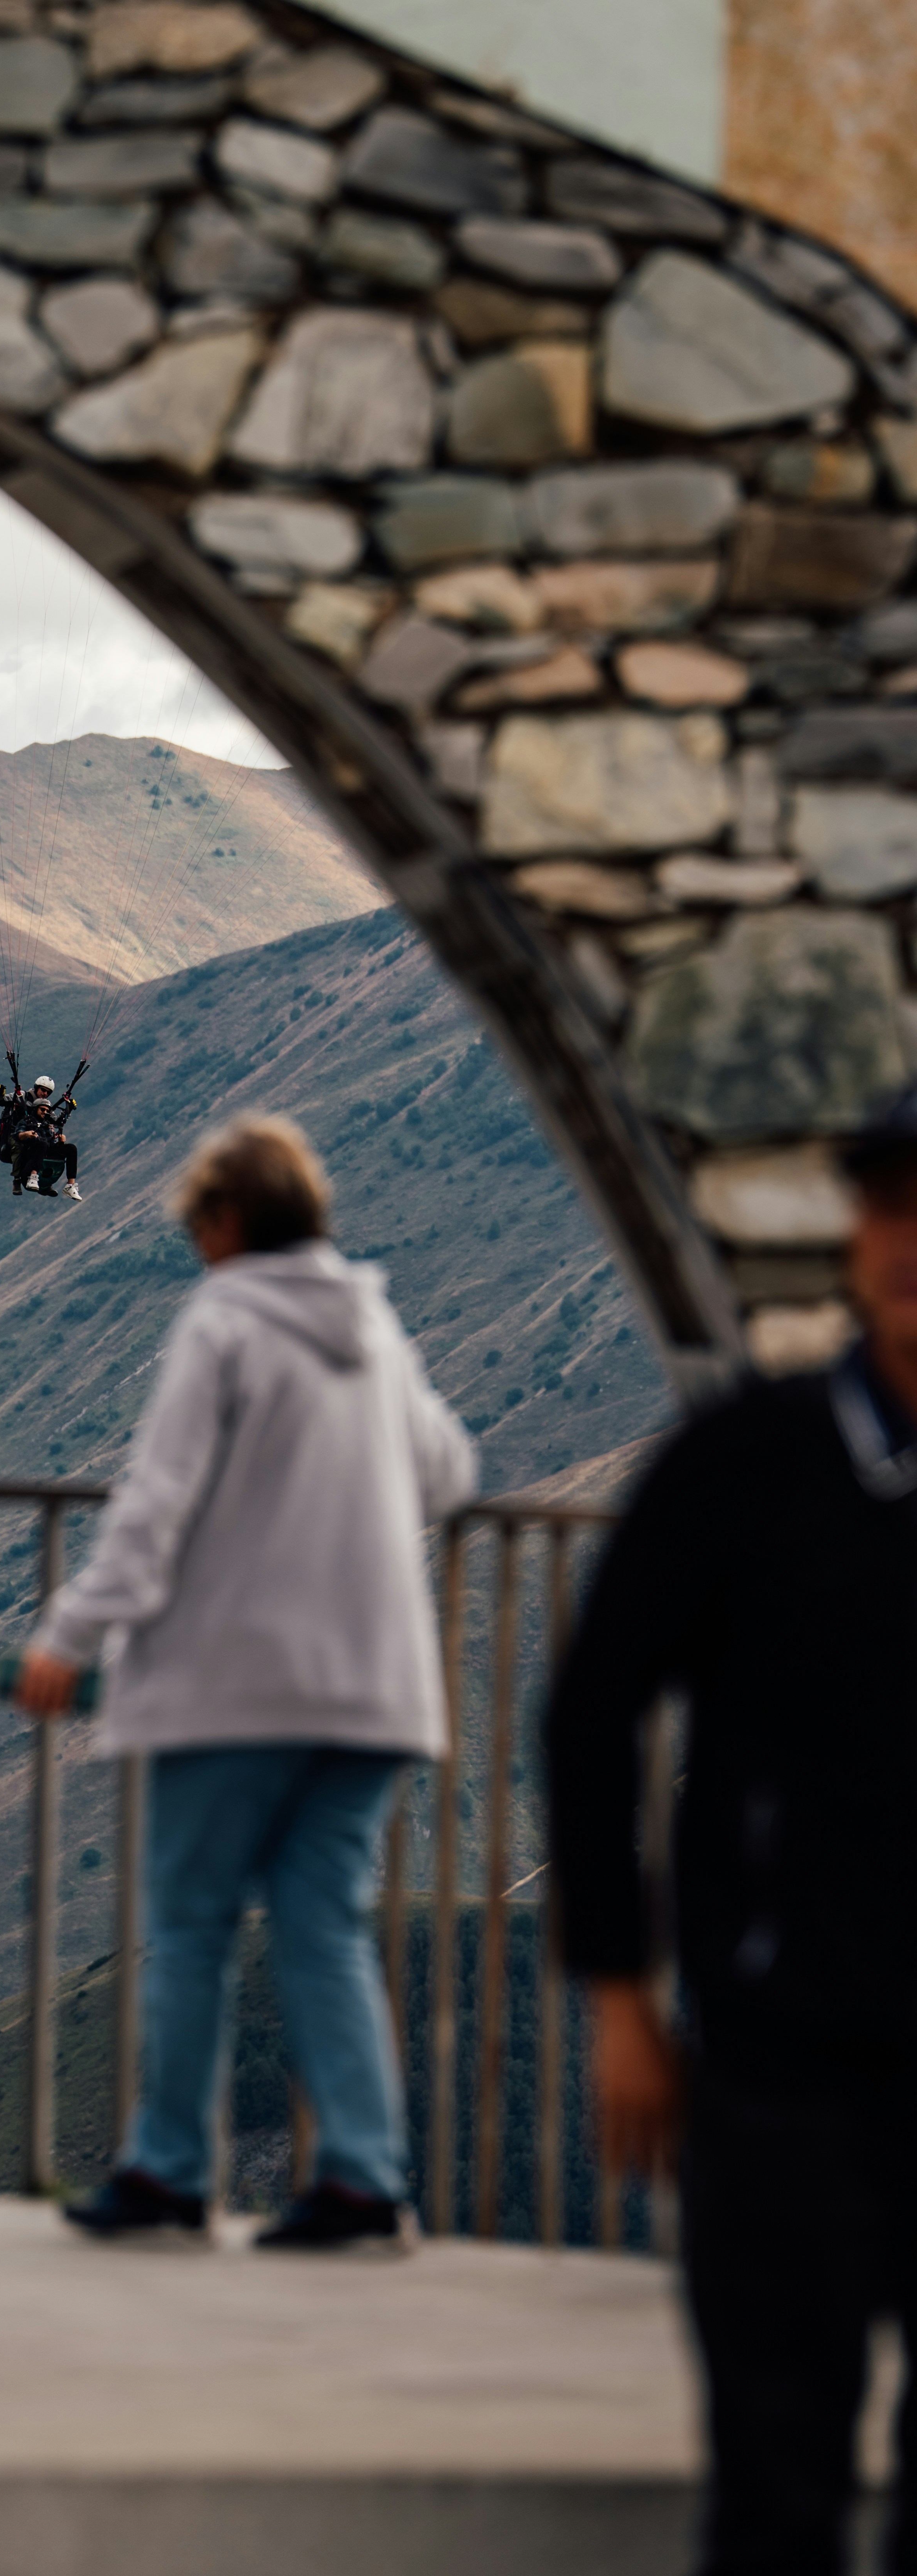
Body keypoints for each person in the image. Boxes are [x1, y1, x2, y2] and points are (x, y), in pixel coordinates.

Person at [548, 1077, 917, 2576]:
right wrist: (621, 1997)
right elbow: (587, 1710)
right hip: (776, 2066)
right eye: (886, 1203)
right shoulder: (740, 1464)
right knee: (775, 2488)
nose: (905, 1239)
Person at [16, 1113, 475, 2246]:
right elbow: (451, 1472)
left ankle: (171, 2168)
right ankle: (365, 2178)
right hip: (372, 1689)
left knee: (191, 1921)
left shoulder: (222, 1321)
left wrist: (66, 1635)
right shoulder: (371, 1323)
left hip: (240, 1688)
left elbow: (156, 1504)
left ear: (222, 1221)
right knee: (323, 1924)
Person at [12, 1076, 82, 1202]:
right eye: (42, 1110)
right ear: (36, 1110)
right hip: (30, 1158)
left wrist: (62, 1143)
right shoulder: (27, 1122)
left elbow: (58, 1125)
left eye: (47, 1111)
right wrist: (28, 1134)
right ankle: (33, 1177)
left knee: (71, 1148)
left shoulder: (48, 1125)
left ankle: (70, 1186)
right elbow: (18, 1136)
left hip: (47, 1153)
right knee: (42, 1144)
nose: (45, 1112)